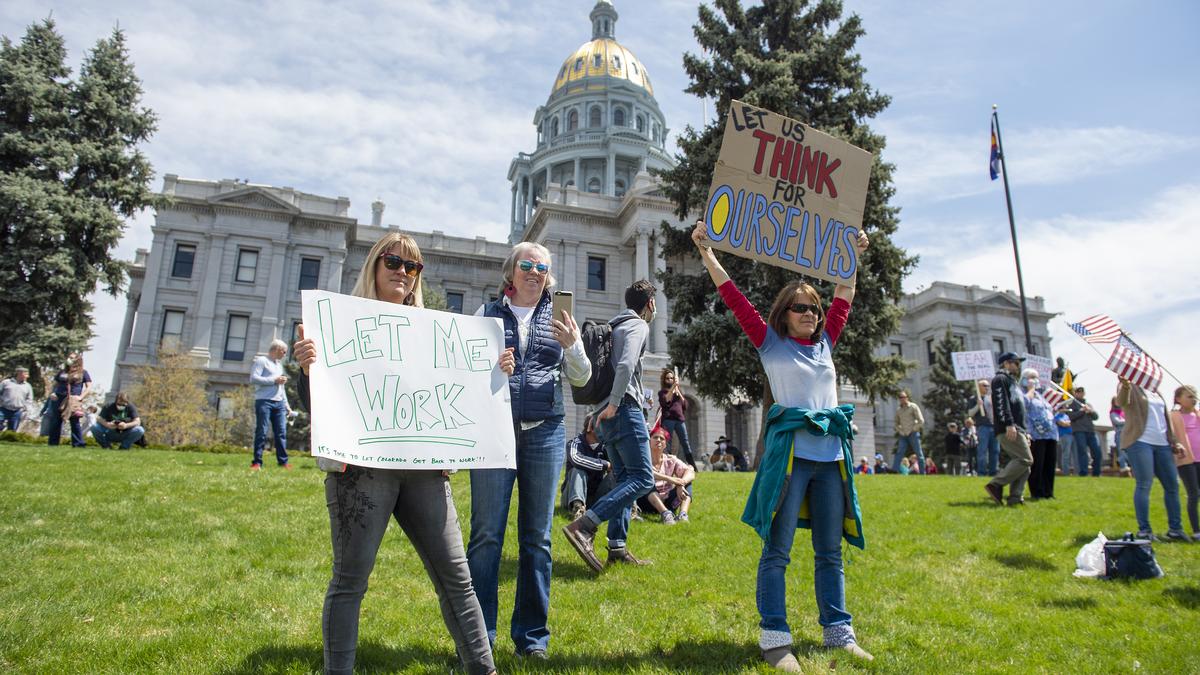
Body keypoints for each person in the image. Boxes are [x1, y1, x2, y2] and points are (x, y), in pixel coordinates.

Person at [292, 232, 498, 675]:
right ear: (374, 266)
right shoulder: (338, 323)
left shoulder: (434, 333)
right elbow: (320, 407)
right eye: (394, 263)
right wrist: (308, 368)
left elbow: (458, 396)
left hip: (423, 472)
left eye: (413, 267)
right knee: (350, 580)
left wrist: (493, 369)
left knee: (457, 580)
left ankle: (484, 669)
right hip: (361, 471)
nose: (403, 273)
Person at [689, 220, 873, 667]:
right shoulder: (769, 343)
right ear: (783, 314)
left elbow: (844, 297)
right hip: (792, 460)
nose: (809, 312)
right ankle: (775, 638)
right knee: (778, 550)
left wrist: (854, 256)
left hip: (831, 461)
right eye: (799, 307)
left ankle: (838, 632)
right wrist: (706, 252)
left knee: (831, 551)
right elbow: (734, 299)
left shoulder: (827, 343)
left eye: (813, 306)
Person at [469, 241, 591, 658]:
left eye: (543, 267)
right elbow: (464, 373)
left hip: (545, 432)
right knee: (486, 536)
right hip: (496, 432)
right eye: (528, 264)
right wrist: (492, 368)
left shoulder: (560, 317)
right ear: (511, 271)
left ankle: (532, 638)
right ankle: (479, 637)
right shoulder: (485, 315)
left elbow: (582, 378)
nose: (536, 272)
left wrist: (573, 346)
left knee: (536, 539)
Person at [562, 279, 657, 572]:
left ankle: (617, 547)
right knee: (643, 479)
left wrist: (606, 406)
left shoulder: (614, 327)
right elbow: (627, 365)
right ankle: (585, 525)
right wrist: (617, 402)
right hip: (623, 408)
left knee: (623, 478)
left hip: (603, 414)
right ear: (650, 303)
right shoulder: (639, 325)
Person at [1116, 377, 1189, 541]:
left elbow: (1165, 419)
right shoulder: (1130, 386)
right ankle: (1145, 531)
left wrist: (1175, 442)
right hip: (1140, 441)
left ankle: (1175, 530)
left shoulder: (1157, 391)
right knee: (1144, 484)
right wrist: (1126, 386)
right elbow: (1121, 402)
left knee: (1172, 485)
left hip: (1162, 444)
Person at [983, 353, 1032, 507]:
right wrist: (1009, 423)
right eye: (1015, 363)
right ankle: (995, 484)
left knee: (1024, 465)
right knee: (1025, 459)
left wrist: (1024, 431)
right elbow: (1000, 402)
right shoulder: (1000, 379)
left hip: (1018, 428)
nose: (1018, 366)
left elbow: (1019, 408)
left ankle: (1015, 498)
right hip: (1008, 427)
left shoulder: (1013, 382)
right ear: (1006, 364)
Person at [636, 425, 695, 524]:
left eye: (662, 438)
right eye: (655, 437)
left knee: (688, 484)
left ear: (665, 444)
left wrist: (681, 483)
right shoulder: (642, 460)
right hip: (646, 502)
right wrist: (672, 480)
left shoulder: (670, 459)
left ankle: (682, 515)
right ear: (649, 441)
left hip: (668, 501)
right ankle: (665, 514)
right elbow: (647, 474)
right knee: (647, 481)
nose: (658, 440)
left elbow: (690, 472)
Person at [249, 339, 291, 470]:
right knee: (262, 431)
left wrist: (287, 405)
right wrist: (274, 380)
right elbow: (253, 378)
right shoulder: (262, 361)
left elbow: (281, 387)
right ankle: (257, 462)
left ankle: (283, 462)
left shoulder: (279, 365)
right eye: (284, 352)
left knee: (281, 433)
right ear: (277, 349)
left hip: (279, 403)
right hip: (264, 401)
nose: (285, 354)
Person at [561, 414, 612, 521]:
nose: (606, 431)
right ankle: (578, 509)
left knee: (617, 473)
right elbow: (576, 459)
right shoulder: (575, 443)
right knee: (578, 468)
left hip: (595, 496)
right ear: (591, 429)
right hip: (570, 497)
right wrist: (605, 464)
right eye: (603, 427)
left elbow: (617, 466)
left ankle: (628, 508)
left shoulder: (605, 446)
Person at [1168, 385, 1200, 538]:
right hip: (1186, 460)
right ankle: (1196, 530)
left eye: (1195, 396)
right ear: (1178, 399)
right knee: (1194, 493)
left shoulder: (1198, 414)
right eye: (1189, 396)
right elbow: (1172, 434)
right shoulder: (1173, 415)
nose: (1193, 398)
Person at [1021, 369, 1057, 500]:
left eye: (1036, 377)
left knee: (1049, 464)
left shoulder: (1040, 395)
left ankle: (1049, 492)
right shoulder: (1022, 393)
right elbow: (1023, 404)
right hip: (1036, 435)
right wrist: (1030, 389)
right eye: (1031, 377)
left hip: (1050, 434)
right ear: (1024, 379)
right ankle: (1037, 491)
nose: (1035, 380)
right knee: (1038, 464)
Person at [47, 353, 91, 447]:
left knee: (74, 422)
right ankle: (53, 443)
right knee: (56, 421)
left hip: (73, 400)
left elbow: (89, 387)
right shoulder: (62, 372)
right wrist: (53, 392)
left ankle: (78, 444)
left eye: (71, 358)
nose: (69, 359)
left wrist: (81, 397)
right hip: (59, 398)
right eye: (69, 357)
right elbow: (55, 384)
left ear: (77, 360)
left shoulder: (83, 372)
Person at [658, 369, 696, 468]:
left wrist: (678, 390)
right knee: (667, 442)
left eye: (671, 378)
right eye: (667, 378)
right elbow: (666, 400)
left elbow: (685, 405)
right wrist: (673, 388)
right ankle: (667, 465)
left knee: (685, 442)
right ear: (664, 380)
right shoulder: (662, 392)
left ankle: (692, 465)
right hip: (668, 419)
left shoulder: (677, 392)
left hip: (679, 420)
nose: (670, 380)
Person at [1068, 387, 1102, 476]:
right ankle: (1083, 472)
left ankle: (1096, 473)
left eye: (1082, 392)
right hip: (1079, 431)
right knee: (1082, 452)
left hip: (1090, 431)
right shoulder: (1071, 405)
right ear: (1075, 393)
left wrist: (1090, 411)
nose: (1080, 393)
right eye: (1078, 392)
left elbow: (1096, 417)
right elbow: (1071, 417)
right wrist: (1082, 411)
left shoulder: (1088, 404)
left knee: (1097, 451)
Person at [969, 379, 999, 476]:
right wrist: (978, 405)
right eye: (984, 385)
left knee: (995, 450)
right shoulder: (974, 398)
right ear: (978, 387)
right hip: (983, 427)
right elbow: (970, 413)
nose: (987, 387)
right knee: (982, 450)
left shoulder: (991, 398)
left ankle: (993, 472)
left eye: (988, 386)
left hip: (994, 427)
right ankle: (981, 472)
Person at [892, 391, 925, 474]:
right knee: (899, 453)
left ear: (907, 397)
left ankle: (922, 473)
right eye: (900, 397)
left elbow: (921, 420)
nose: (902, 399)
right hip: (903, 435)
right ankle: (894, 471)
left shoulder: (913, 407)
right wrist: (900, 431)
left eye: (904, 397)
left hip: (913, 433)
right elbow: (896, 423)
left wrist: (914, 429)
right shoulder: (899, 410)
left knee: (919, 454)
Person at [0, 367, 34, 431]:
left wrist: (26, 409)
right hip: (3, 409)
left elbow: (29, 399)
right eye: (26, 374)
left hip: (17, 411)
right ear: (19, 373)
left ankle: (8, 440)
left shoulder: (28, 386)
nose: (28, 376)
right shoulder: (6, 382)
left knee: (12, 430)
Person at [1055, 407, 1075, 475]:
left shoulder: (1066, 416)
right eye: (1063, 407)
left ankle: (1075, 472)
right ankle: (1066, 472)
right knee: (1066, 454)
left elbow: (1070, 423)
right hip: (1064, 436)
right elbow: (1063, 424)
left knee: (1073, 455)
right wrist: (1069, 423)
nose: (1065, 408)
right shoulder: (1057, 416)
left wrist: (1068, 423)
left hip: (1072, 435)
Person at [1110, 396, 1128, 471]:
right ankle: (1123, 467)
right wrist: (1127, 421)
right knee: (1121, 451)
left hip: (1127, 433)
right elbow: (1117, 422)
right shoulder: (1113, 413)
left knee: (1128, 451)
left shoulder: (1124, 411)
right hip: (1120, 434)